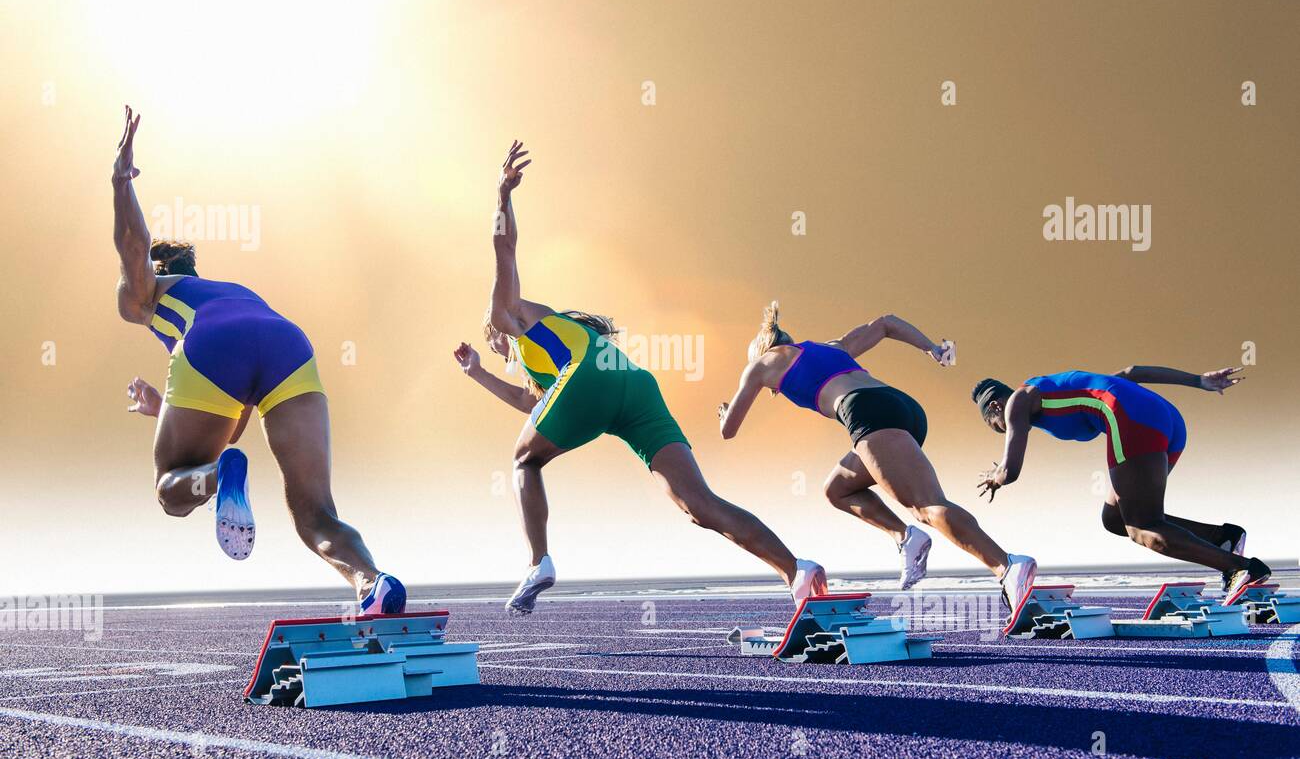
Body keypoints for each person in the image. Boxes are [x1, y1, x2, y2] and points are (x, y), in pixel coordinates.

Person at [454, 141, 825, 615]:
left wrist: (502, 194)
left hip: (588, 381)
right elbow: (536, 406)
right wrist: (480, 375)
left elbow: (503, 248)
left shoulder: (509, 314)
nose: (501, 351)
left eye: (495, 346)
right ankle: (795, 569)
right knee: (698, 505)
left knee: (523, 461)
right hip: (630, 385)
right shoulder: (546, 350)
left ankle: (538, 561)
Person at [111, 106, 404, 614]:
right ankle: (373, 584)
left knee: (170, 490)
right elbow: (235, 428)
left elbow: (133, 248)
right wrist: (169, 412)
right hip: (288, 344)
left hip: (211, 349)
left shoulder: (151, 293)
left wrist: (120, 183)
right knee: (316, 513)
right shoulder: (227, 291)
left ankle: (215, 479)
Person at [719, 302, 1037, 623]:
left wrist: (723, 413)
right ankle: (905, 537)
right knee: (837, 489)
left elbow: (728, 431)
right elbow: (885, 323)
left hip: (867, 412)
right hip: (902, 407)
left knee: (926, 506)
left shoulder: (759, 365)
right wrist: (932, 349)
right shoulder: (833, 348)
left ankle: (1006, 565)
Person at [971, 366, 1269, 601]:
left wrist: (995, 477)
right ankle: (1222, 538)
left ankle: (1239, 568)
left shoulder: (1017, 402)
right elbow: (1132, 373)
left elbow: (1010, 471)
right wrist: (1198, 381)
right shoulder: (1052, 390)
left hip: (1131, 418)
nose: (1001, 430)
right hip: (1166, 419)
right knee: (1114, 518)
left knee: (1142, 527)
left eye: (993, 425)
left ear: (996, 406)